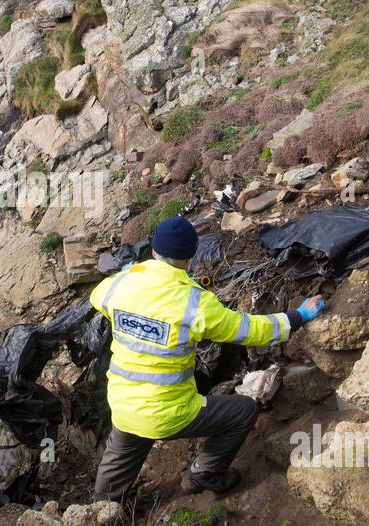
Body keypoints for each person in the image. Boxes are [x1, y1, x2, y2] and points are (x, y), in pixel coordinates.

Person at [89, 215, 325, 501]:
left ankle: (102, 510)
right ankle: (204, 472)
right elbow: (248, 330)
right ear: (189, 259)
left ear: (153, 251)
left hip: (123, 404)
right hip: (170, 411)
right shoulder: (193, 302)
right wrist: (296, 317)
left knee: (124, 444)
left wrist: (129, 283)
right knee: (243, 412)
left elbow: (97, 297)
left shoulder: (119, 286)